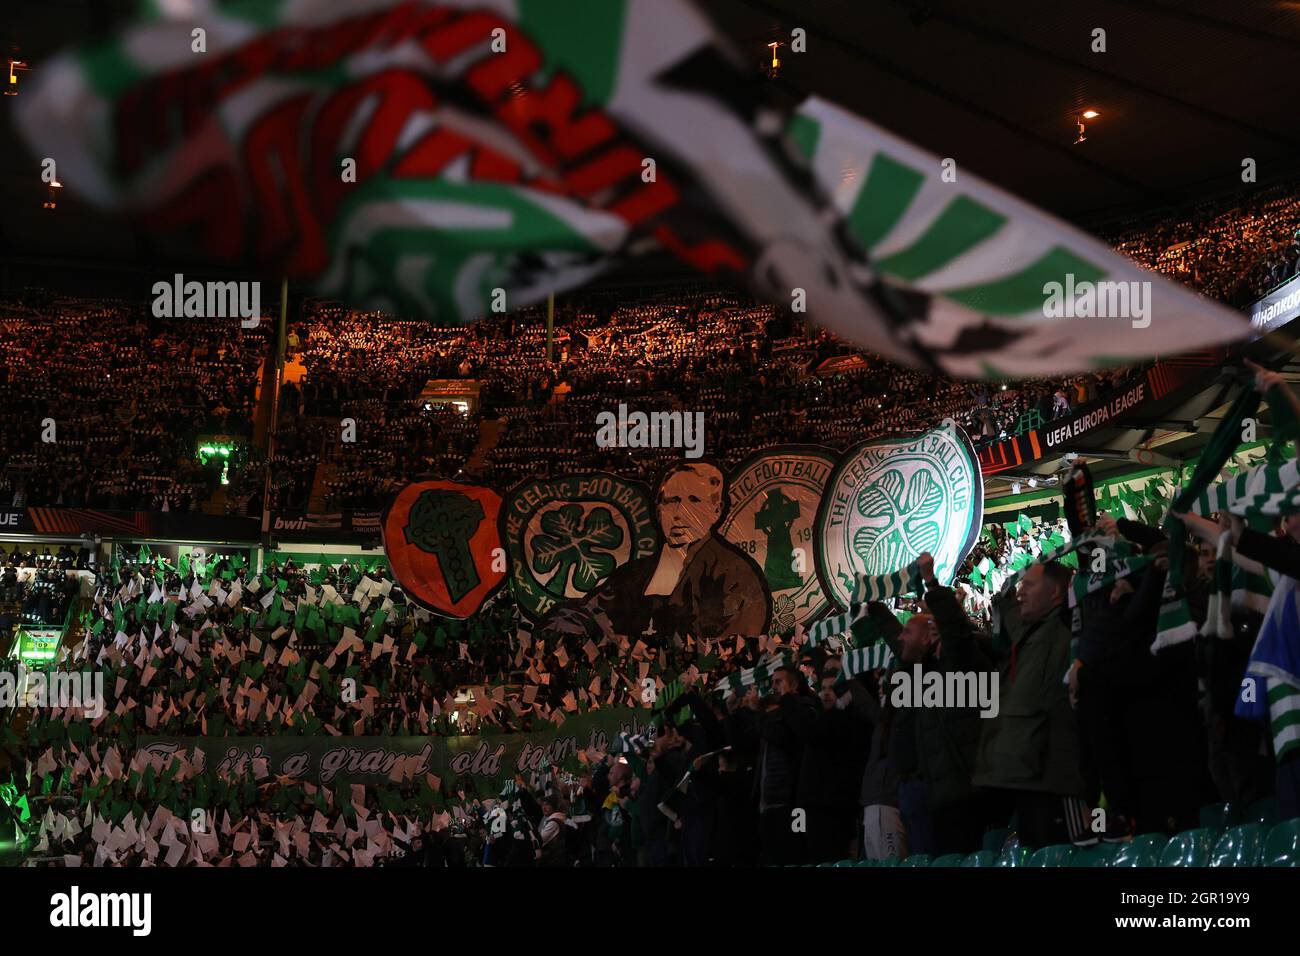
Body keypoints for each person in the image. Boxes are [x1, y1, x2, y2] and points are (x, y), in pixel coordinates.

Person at [976, 561, 1089, 848]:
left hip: (1059, 781)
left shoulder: (1068, 625)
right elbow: (1013, 616)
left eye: (1029, 585)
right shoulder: (1030, 632)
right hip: (1028, 779)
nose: (1020, 592)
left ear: (1056, 594)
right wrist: (1003, 598)